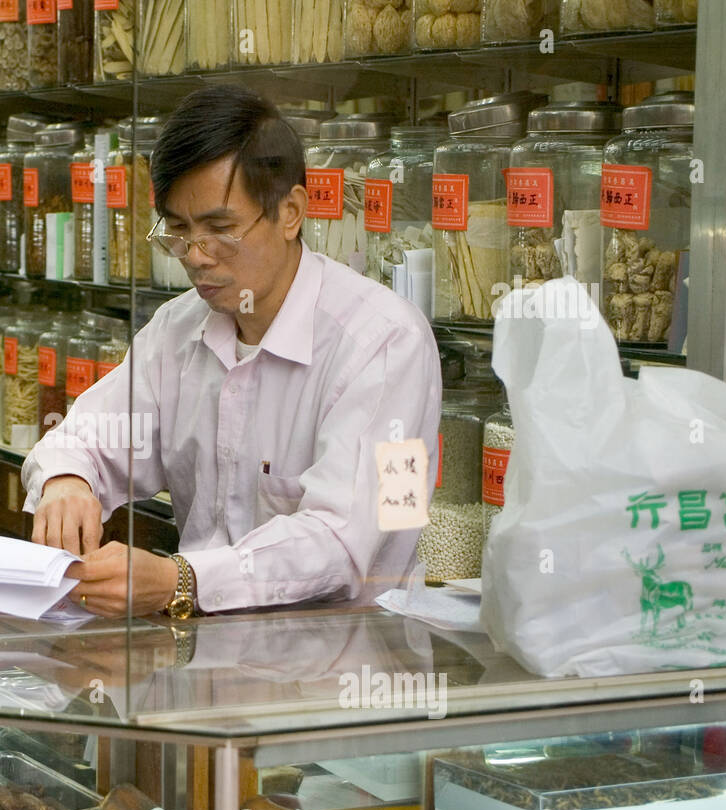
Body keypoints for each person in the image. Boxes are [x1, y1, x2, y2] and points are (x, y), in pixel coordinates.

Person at [22, 85, 441, 618]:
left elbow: (342, 543)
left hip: (342, 665)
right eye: (178, 231)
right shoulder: (178, 330)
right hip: (203, 652)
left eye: (221, 230)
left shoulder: (384, 342)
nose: (196, 257)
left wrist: (184, 580)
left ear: (290, 211)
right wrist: (68, 480)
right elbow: (89, 435)